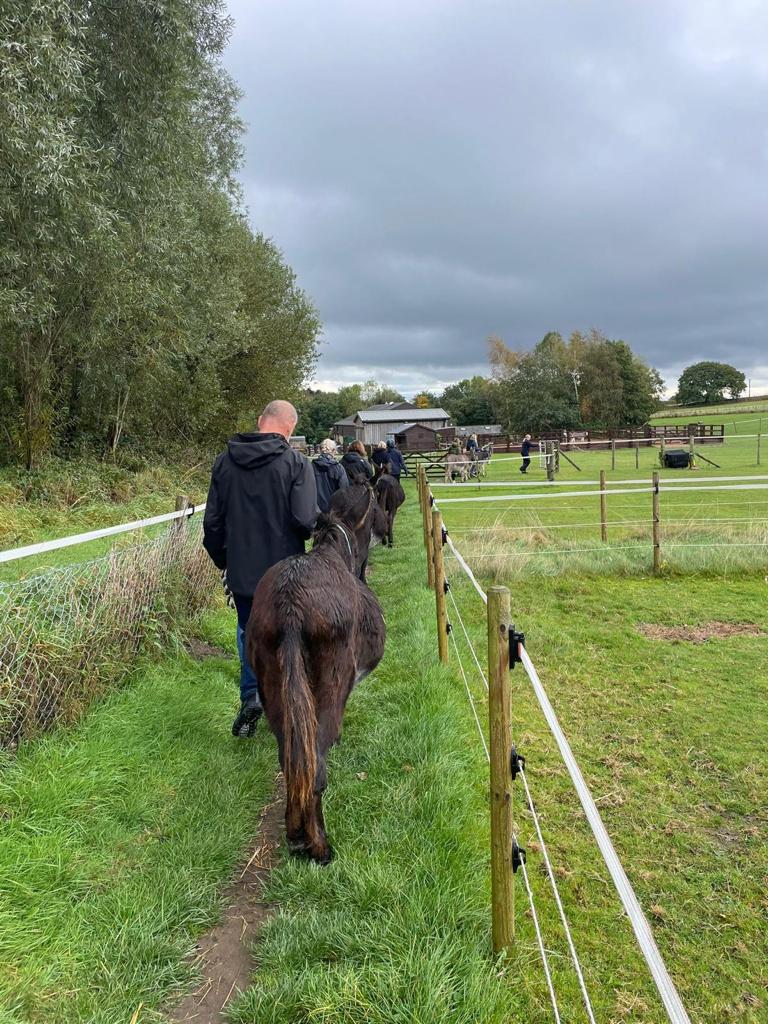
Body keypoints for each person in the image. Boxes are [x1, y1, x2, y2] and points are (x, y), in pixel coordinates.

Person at [203, 400, 317, 737]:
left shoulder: (224, 463)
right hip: (285, 575)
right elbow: (305, 520)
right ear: (290, 428)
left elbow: (212, 525)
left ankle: (251, 695)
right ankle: (288, 705)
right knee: (289, 637)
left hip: (243, 575)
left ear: (260, 421)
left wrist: (225, 561)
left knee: (248, 633)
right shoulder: (297, 464)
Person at [312, 438, 348, 511]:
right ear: (334, 450)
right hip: (333, 511)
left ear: (320, 450)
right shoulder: (338, 467)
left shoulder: (311, 466)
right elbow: (344, 491)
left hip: (314, 509)